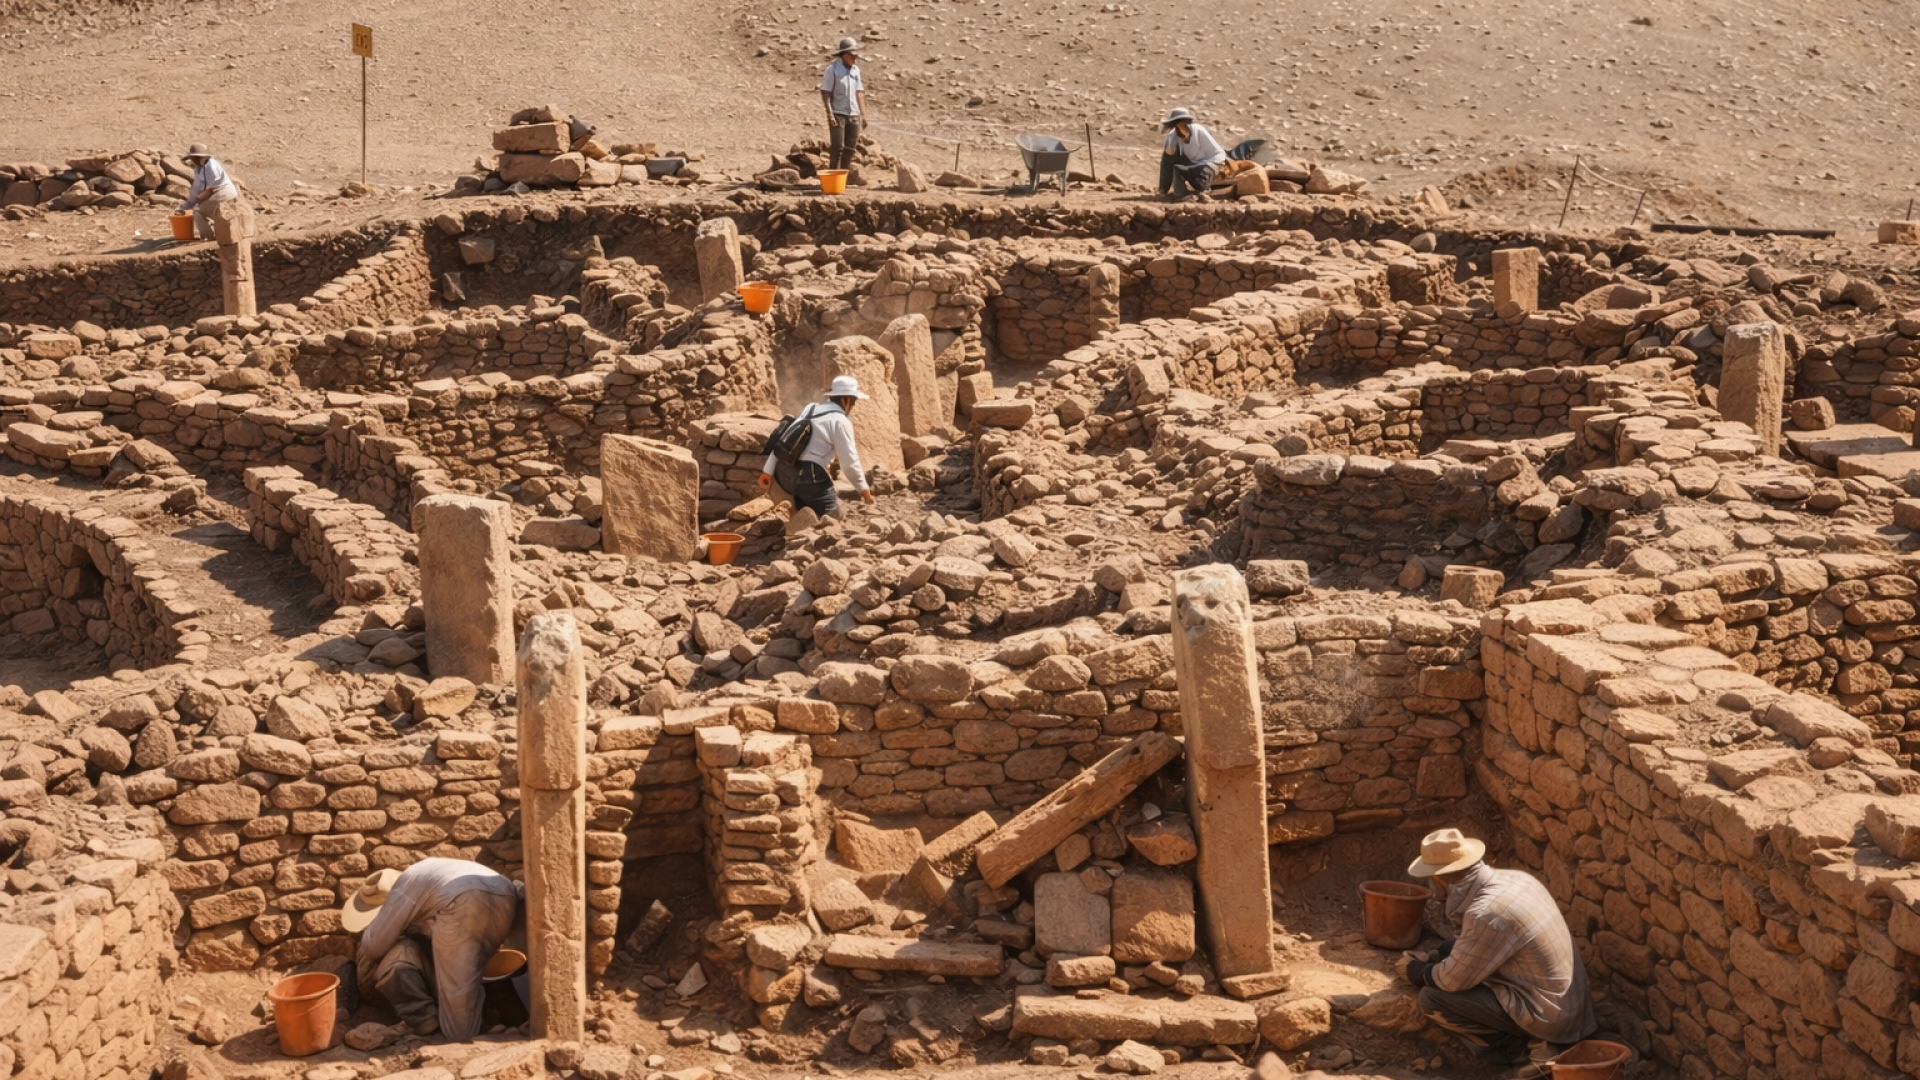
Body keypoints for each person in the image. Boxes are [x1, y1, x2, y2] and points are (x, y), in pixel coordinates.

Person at [1393, 829, 1597, 1075]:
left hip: (1551, 1017)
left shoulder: (1486, 913)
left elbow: (1451, 981)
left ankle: (1520, 1050)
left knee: (1431, 997)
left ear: (1439, 880)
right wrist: (1440, 958)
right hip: (1569, 1002)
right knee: (1448, 949)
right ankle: (1539, 1042)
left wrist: (1415, 971)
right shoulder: (1515, 879)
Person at [343, 858, 524, 1041]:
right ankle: (499, 1024)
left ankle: (464, 1042)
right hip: (505, 895)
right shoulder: (433, 875)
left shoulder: (405, 886)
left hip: (462, 899)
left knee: (458, 1025)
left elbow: (373, 946)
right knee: (475, 974)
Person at [758, 374, 874, 519]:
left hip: (784, 472)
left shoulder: (811, 409)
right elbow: (850, 462)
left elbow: (785, 440)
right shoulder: (840, 421)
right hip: (809, 477)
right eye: (854, 401)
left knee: (808, 510)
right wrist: (864, 490)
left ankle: (799, 522)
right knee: (832, 516)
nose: (853, 406)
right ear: (847, 399)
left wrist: (767, 471)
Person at [1157, 108, 1227, 203]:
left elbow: (1219, 154)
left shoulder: (1198, 130)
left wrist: (1205, 165)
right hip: (1193, 165)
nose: (1182, 127)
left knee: (1202, 176)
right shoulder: (1173, 136)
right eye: (1178, 125)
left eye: (1184, 123)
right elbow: (1168, 158)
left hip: (1210, 164)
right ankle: (1179, 195)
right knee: (1174, 165)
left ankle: (1204, 192)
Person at [819, 38, 867, 172]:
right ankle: (833, 177)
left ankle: (843, 179)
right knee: (837, 148)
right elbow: (825, 92)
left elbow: (859, 92)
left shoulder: (856, 70)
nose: (855, 57)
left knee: (850, 149)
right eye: (853, 54)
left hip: (854, 114)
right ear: (845, 54)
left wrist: (863, 114)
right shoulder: (832, 70)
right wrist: (829, 113)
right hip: (838, 113)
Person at [178, 144, 240, 240]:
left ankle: (208, 237)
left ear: (203, 157)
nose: (194, 160)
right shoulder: (199, 169)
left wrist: (199, 199)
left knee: (197, 210)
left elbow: (211, 189)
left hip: (224, 192)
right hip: (220, 193)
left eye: (196, 158)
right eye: (193, 158)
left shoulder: (211, 166)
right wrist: (184, 207)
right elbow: (196, 190)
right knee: (204, 208)